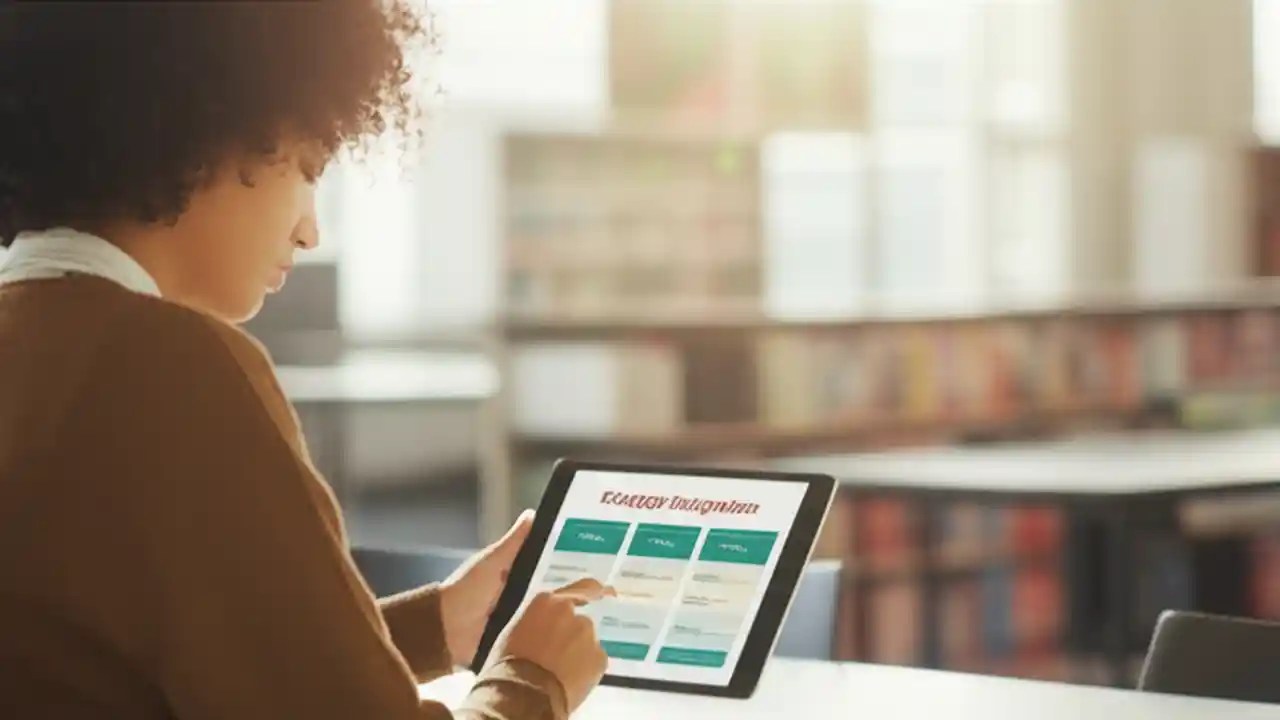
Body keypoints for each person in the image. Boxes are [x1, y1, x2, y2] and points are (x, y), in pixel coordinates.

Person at [0, 3, 610, 718]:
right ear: (210, 134)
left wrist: (434, 627)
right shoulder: (171, 368)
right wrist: (531, 678)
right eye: (310, 167)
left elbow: (119, 658)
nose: (310, 228)